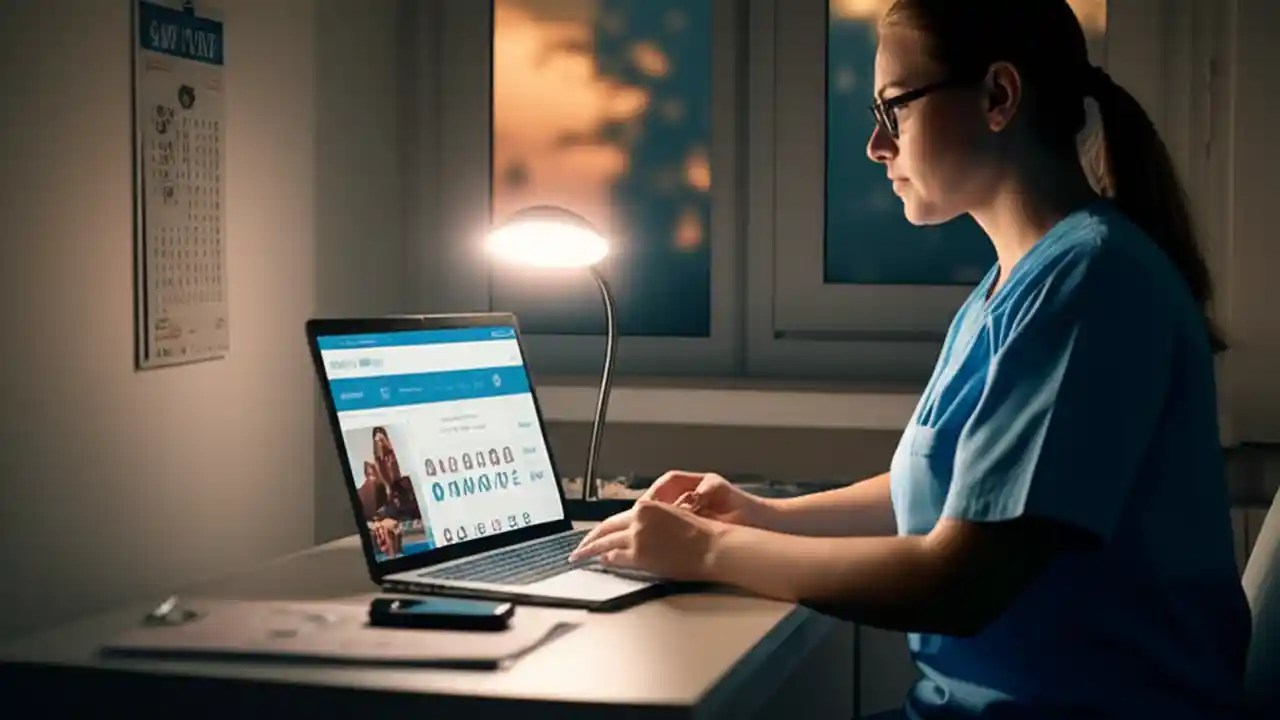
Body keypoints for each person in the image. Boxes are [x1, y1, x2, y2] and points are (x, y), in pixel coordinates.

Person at [569, 1, 1251, 717]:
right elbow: (930, 490)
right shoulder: (1012, 284)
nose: (874, 144)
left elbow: (958, 582)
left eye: (894, 108)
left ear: (998, 97)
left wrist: (707, 553)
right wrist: (756, 516)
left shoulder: (1091, 282)